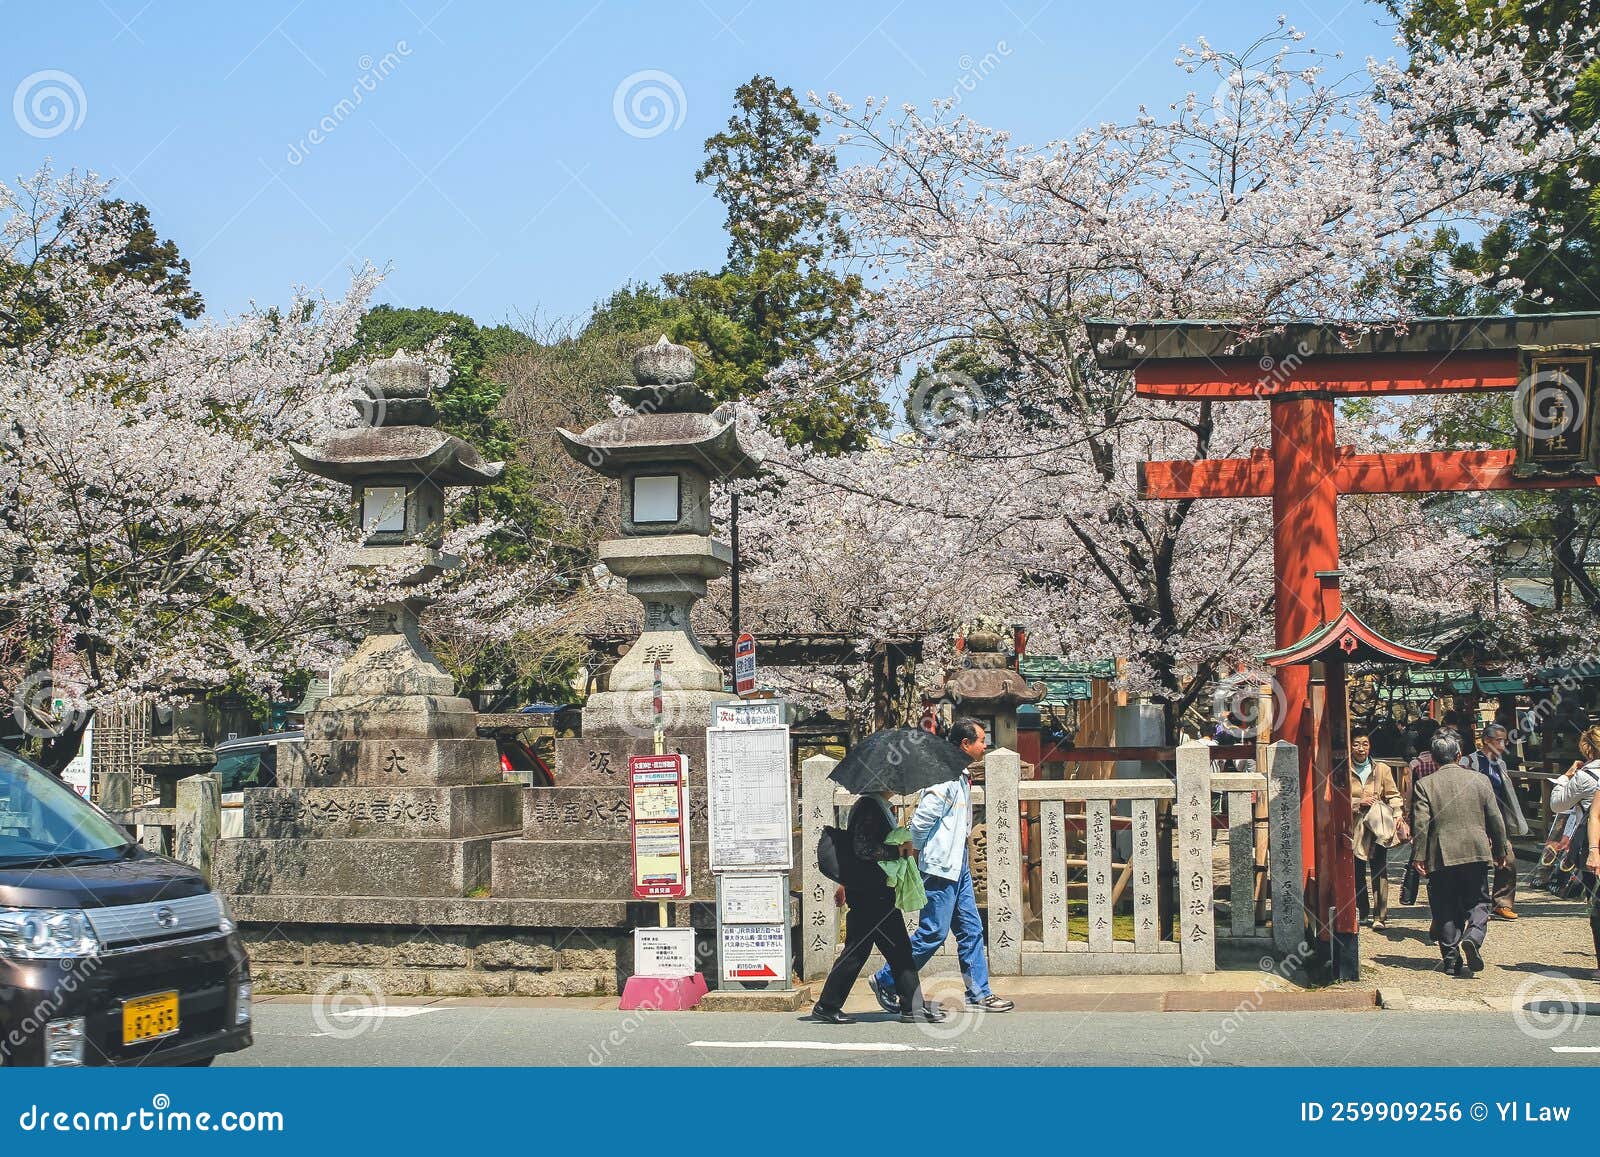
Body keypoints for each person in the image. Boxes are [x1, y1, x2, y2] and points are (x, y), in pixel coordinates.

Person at [868, 718, 1015, 1015]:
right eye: (981, 741)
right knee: (933, 932)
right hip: (938, 864)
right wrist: (915, 853)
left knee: (971, 929)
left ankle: (979, 992)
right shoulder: (943, 776)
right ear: (965, 744)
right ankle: (886, 979)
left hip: (955, 862)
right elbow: (923, 819)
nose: (985, 746)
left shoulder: (957, 774)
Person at [812, 787, 946, 1025]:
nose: (896, 786)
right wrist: (898, 851)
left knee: (892, 950)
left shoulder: (877, 806)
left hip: (875, 891)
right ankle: (827, 1005)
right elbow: (863, 850)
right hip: (870, 893)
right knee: (869, 950)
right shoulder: (869, 807)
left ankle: (910, 1007)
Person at [1411, 730, 1510, 978]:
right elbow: (1495, 819)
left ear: (1434, 758)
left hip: (1441, 854)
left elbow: (1421, 824)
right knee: (1478, 900)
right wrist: (1500, 850)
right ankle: (1473, 936)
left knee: (1445, 906)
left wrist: (1419, 856)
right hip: (1475, 850)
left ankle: (1451, 959)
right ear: (1459, 755)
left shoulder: (1425, 784)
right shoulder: (1479, 780)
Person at [1463, 722, 1529, 919]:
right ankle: (1475, 904)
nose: (1503, 744)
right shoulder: (1470, 761)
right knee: (1477, 863)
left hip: (1497, 817)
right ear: (1486, 740)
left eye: (1504, 740)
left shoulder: (1501, 764)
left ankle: (1502, 902)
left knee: (1508, 860)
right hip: (1477, 817)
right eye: (1499, 740)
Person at [1554, 726, 1600, 980]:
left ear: (1586, 748)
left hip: (1592, 849)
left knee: (1596, 905)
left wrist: (1565, 777)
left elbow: (1558, 803)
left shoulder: (1584, 776)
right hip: (1594, 846)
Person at [1350, 730, 1406, 929]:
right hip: (1355, 826)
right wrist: (1358, 802)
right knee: (1356, 870)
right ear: (1350, 746)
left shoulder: (1381, 769)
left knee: (1379, 868)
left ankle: (1380, 916)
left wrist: (1398, 813)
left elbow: (1393, 794)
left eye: (1365, 744)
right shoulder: (1343, 769)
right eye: (1356, 744)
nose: (1361, 748)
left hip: (1378, 825)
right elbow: (1336, 798)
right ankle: (1362, 911)